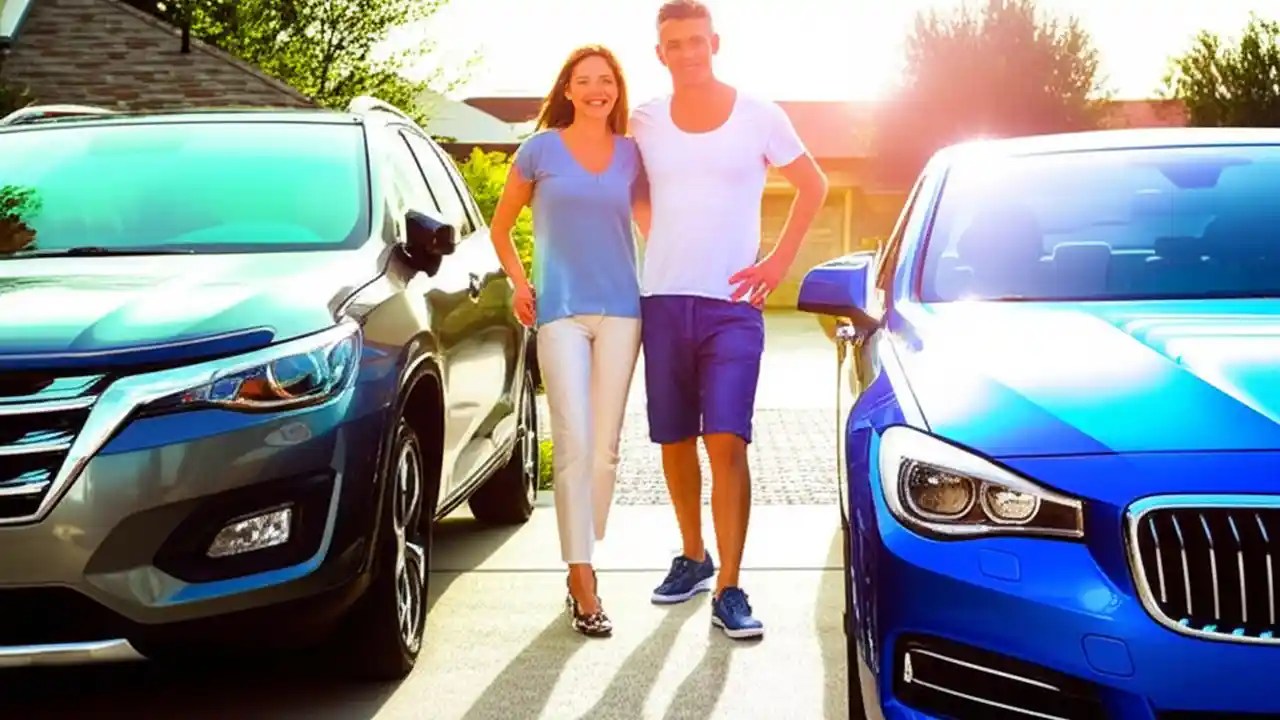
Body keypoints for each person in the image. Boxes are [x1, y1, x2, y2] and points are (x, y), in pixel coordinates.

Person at [630, 0, 829, 639]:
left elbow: (814, 185)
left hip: (733, 309)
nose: (686, 53)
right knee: (674, 440)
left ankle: (731, 586)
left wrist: (778, 262)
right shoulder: (644, 120)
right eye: (673, 44)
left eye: (696, 41)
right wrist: (657, 235)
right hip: (661, 300)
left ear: (715, 42)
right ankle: (692, 556)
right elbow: (631, 189)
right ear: (660, 53)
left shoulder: (760, 116)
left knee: (727, 441)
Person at [489, 45, 644, 637]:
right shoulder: (540, 150)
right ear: (569, 90)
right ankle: (583, 577)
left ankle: (586, 539)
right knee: (574, 441)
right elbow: (502, 228)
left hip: (623, 314)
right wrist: (521, 283)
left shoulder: (633, 155)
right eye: (585, 81)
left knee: (604, 448)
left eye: (606, 80)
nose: (596, 89)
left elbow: (659, 225)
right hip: (558, 313)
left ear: (616, 90)